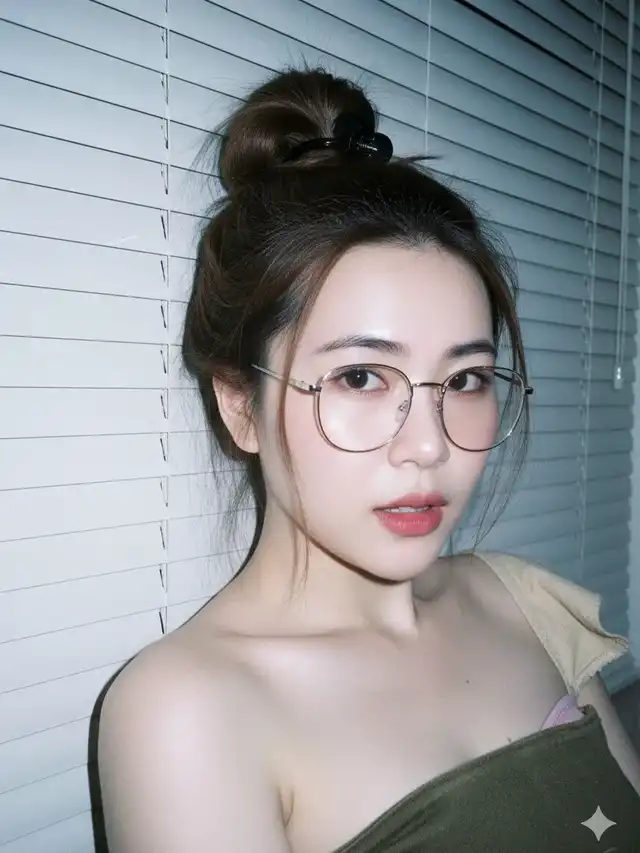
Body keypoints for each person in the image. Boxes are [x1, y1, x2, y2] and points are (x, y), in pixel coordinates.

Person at [97, 68, 640, 852]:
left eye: (466, 379)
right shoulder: (188, 711)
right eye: (359, 376)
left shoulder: (522, 600)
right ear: (240, 404)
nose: (430, 444)